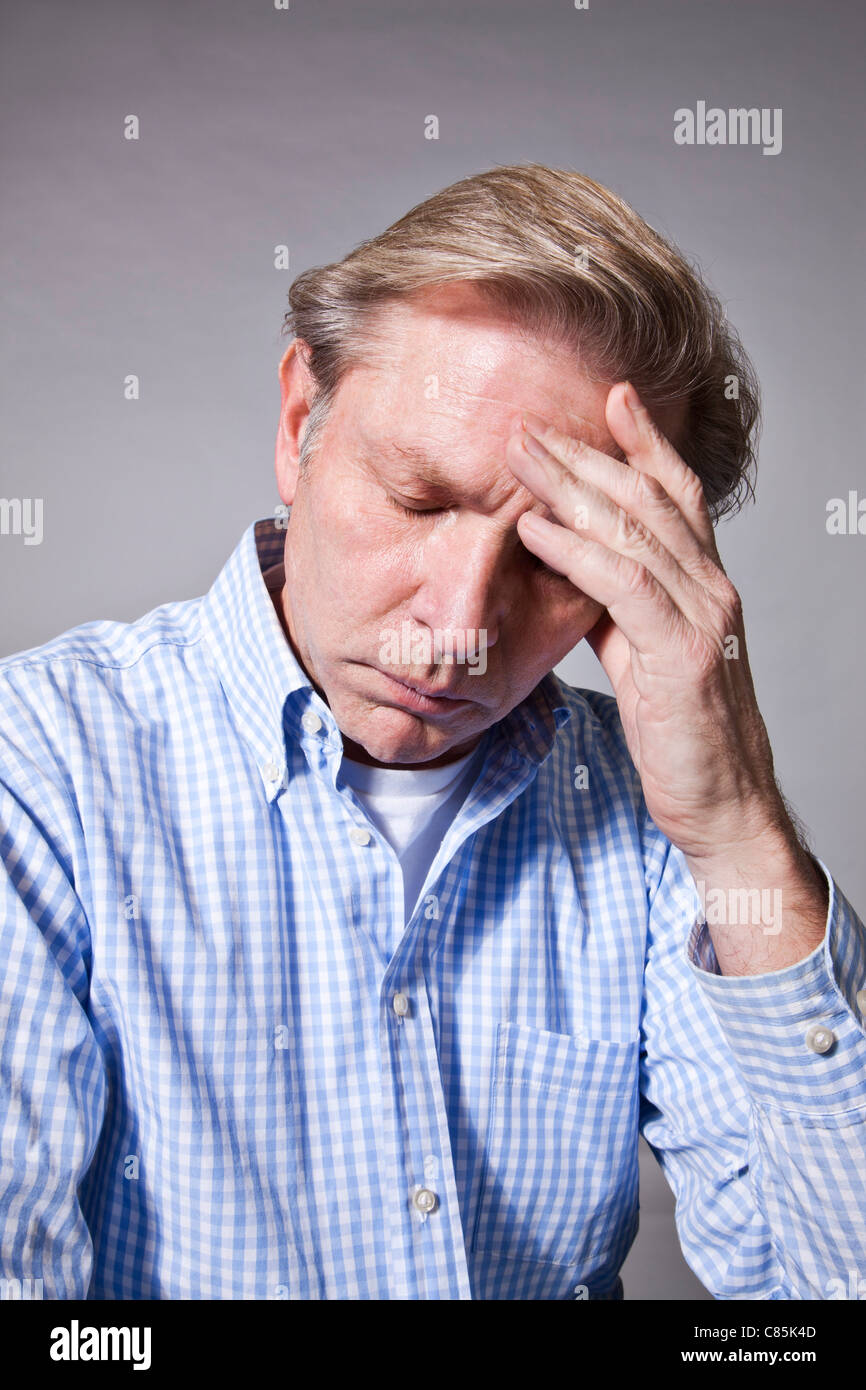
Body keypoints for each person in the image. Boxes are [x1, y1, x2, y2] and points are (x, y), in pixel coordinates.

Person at [1, 164, 863, 1302]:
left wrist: (736, 828)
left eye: (556, 553)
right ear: (301, 420)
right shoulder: (40, 768)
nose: (457, 631)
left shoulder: (660, 822)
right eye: (417, 500)